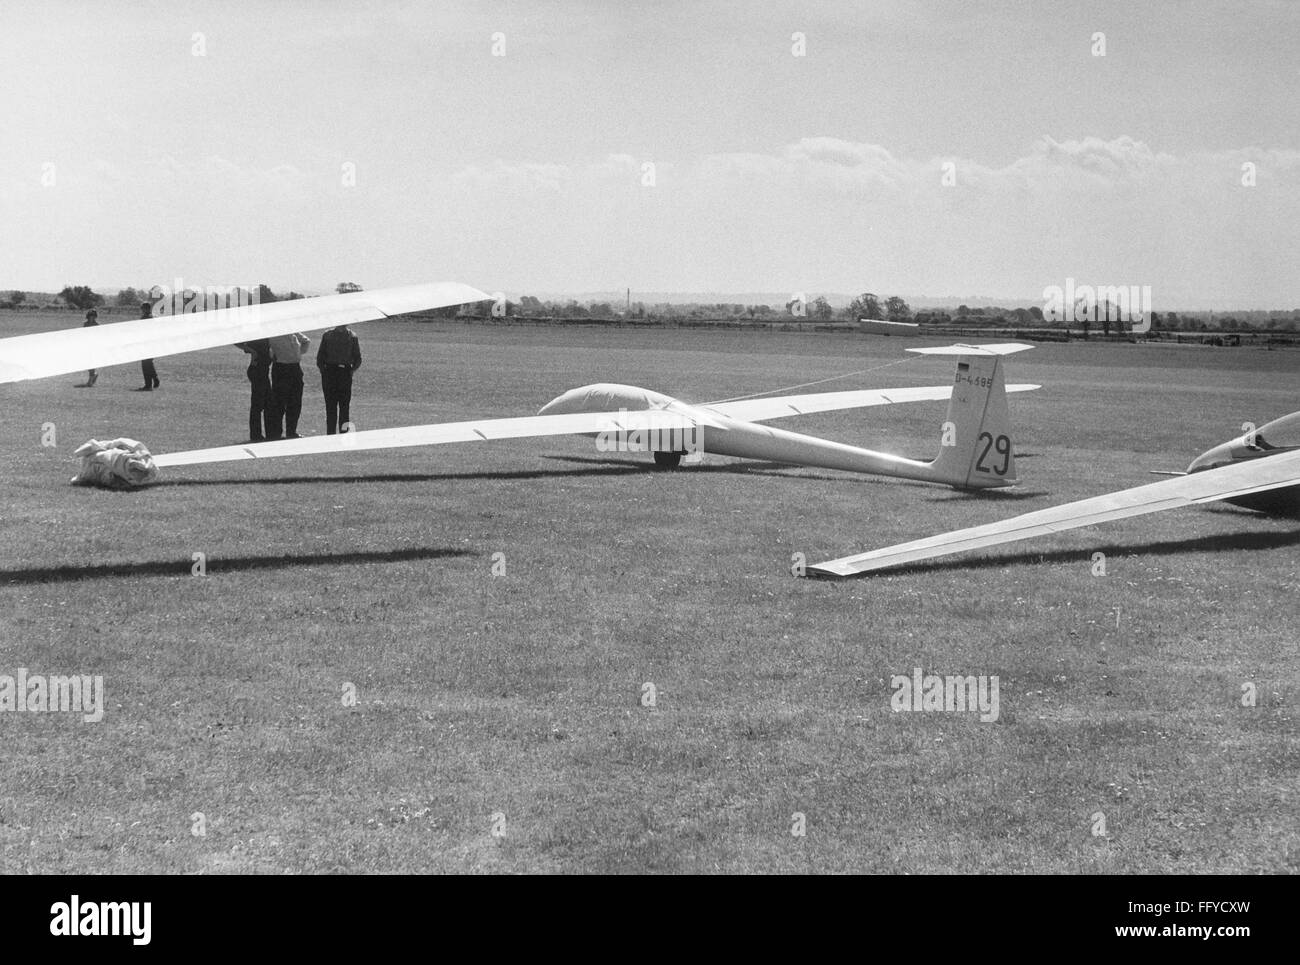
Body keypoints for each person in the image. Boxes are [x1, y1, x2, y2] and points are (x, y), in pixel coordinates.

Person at [316, 324, 362, 434]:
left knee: (344, 406)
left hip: (344, 372)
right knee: (331, 406)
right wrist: (324, 372)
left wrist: (351, 371)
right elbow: (320, 357)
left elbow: (358, 358)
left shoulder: (352, 336)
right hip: (331, 372)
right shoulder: (328, 335)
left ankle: (343, 433)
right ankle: (331, 434)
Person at [266, 332, 310, 440]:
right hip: (281, 368)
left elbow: (306, 341)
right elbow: (264, 347)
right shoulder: (272, 334)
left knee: (295, 402)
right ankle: (276, 433)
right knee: (279, 402)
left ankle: (291, 432)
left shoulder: (292, 331)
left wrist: (298, 353)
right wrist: (272, 355)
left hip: (295, 367)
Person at [235, 338, 272, 442]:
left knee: (268, 402)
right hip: (257, 370)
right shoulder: (257, 337)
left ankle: (269, 433)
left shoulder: (267, 336)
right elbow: (236, 340)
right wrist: (251, 351)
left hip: (263, 371)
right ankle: (256, 435)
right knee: (258, 404)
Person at [137, 301, 160, 390]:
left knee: (145, 364)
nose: (142, 310)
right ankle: (154, 380)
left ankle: (148, 384)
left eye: (142, 308)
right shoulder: (152, 317)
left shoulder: (145, 318)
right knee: (149, 363)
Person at [81, 309, 99, 386]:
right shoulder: (85, 324)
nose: (92, 317)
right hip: (86, 345)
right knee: (87, 363)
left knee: (91, 362)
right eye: (90, 316)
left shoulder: (97, 325)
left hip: (93, 346)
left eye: (93, 316)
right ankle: (94, 374)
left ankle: (90, 380)